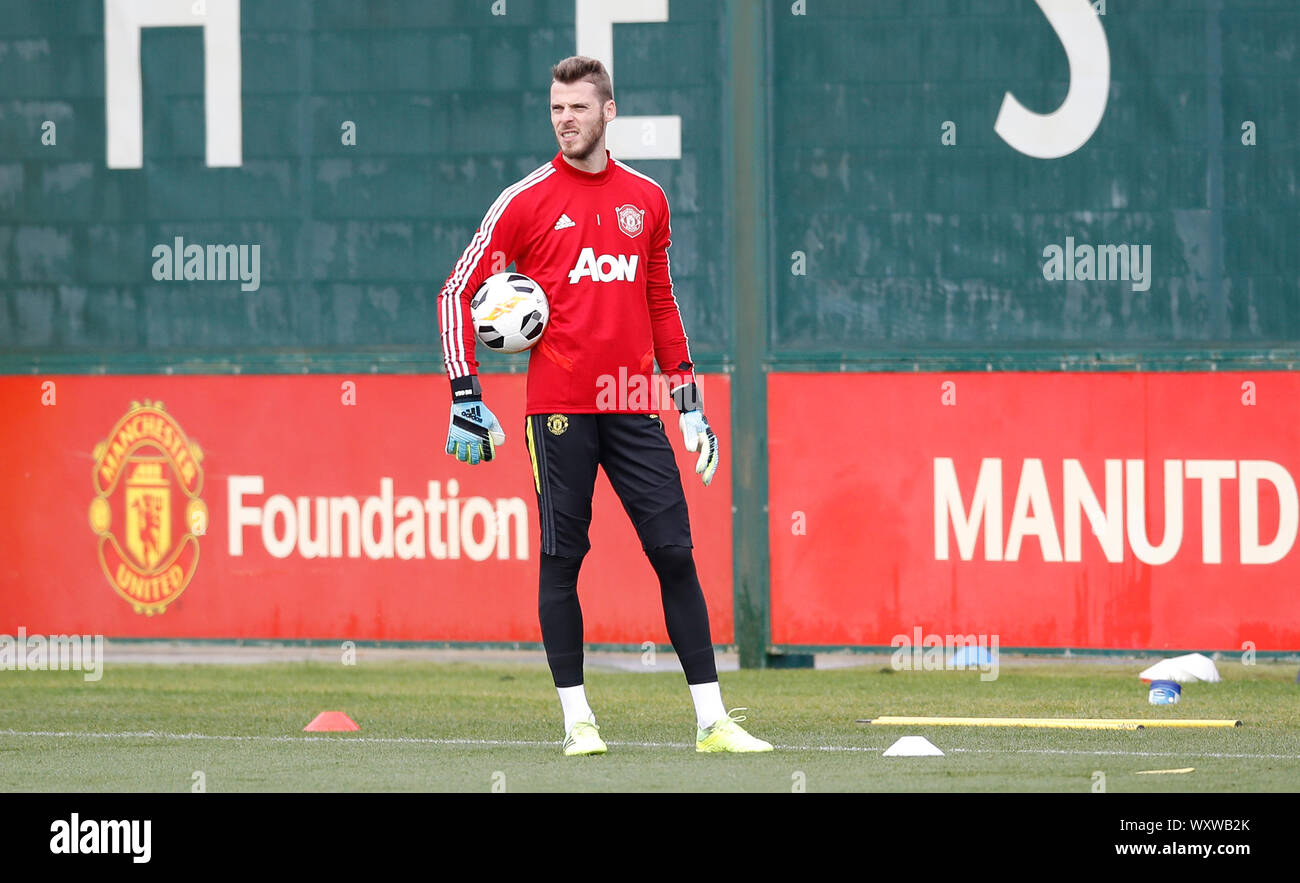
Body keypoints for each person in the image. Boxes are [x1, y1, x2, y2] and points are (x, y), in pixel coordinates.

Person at [436, 56, 771, 756]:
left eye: (579, 108)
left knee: (674, 551)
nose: (566, 119)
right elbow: (455, 293)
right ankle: (577, 721)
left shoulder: (646, 199)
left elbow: (659, 301)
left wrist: (688, 402)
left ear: (609, 112)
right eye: (557, 108)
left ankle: (713, 721)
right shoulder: (523, 201)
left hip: (632, 404)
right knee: (563, 559)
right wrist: (464, 393)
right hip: (556, 411)